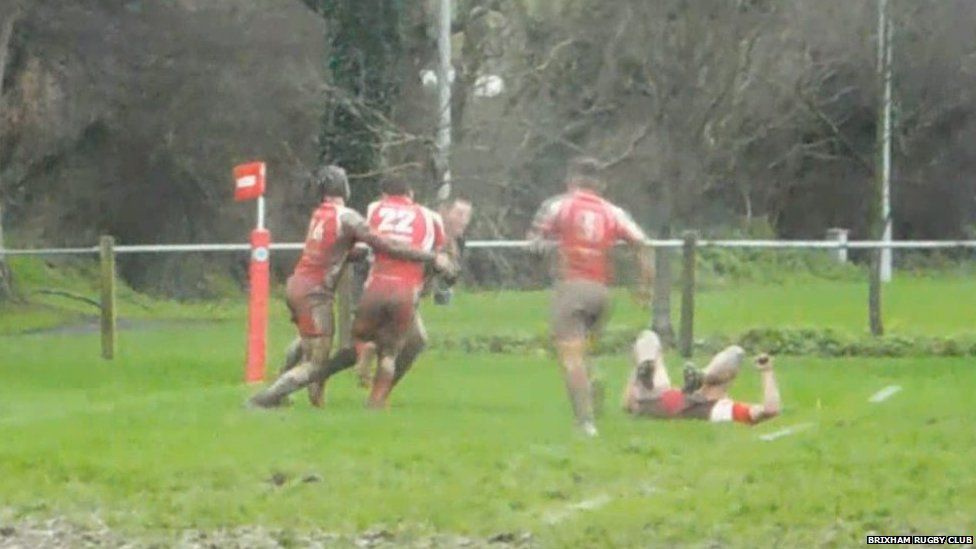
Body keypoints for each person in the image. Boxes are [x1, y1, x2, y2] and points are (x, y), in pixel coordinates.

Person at [247, 166, 453, 409]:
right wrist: (430, 257)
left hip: (297, 283)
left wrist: (357, 254)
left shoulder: (321, 213)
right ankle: (266, 399)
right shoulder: (347, 217)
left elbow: (337, 250)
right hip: (316, 294)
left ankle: (284, 386)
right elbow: (385, 244)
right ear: (343, 187)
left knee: (306, 340)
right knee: (316, 362)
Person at [527, 157, 654, 436]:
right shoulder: (613, 211)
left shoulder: (558, 205)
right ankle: (592, 382)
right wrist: (644, 286)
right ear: (601, 184)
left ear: (571, 179)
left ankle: (585, 423)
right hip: (602, 292)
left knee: (570, 357)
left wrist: (547, 258)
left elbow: (534, 243)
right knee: (582, 352)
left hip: (572, 287)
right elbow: (642, 243)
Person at [311, 177, 454, 408]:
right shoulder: (431, 217)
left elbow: (362, 245)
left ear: (384, 195)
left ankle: (343, 370)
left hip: (376, 283)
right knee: (392, 350)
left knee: (364, 340)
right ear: (411, 193)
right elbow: (442, 259)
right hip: (407, 289)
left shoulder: (375, 208)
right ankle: (375, 398)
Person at [622, 330, 781, 424]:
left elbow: (770, 410)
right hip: (657, 395)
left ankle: (701, 376)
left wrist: (767, 372)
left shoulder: (720, 408)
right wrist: (767, 371)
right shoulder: (721, 406)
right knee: (648, 337)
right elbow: (628, 404)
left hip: (653, 398)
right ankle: (648, 366)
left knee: (649, 338)